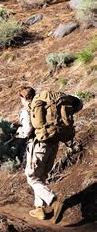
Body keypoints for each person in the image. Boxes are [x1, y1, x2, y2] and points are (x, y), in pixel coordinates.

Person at [23, 87, 83, 223]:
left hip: (39, 146)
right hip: (54, 144)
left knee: (32, 178)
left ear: (25, 98)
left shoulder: (31, 109)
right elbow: (78, 104)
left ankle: (54, 202)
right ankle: (40, 209)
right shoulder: (49, 105)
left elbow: (27, 131)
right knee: (41, 177)